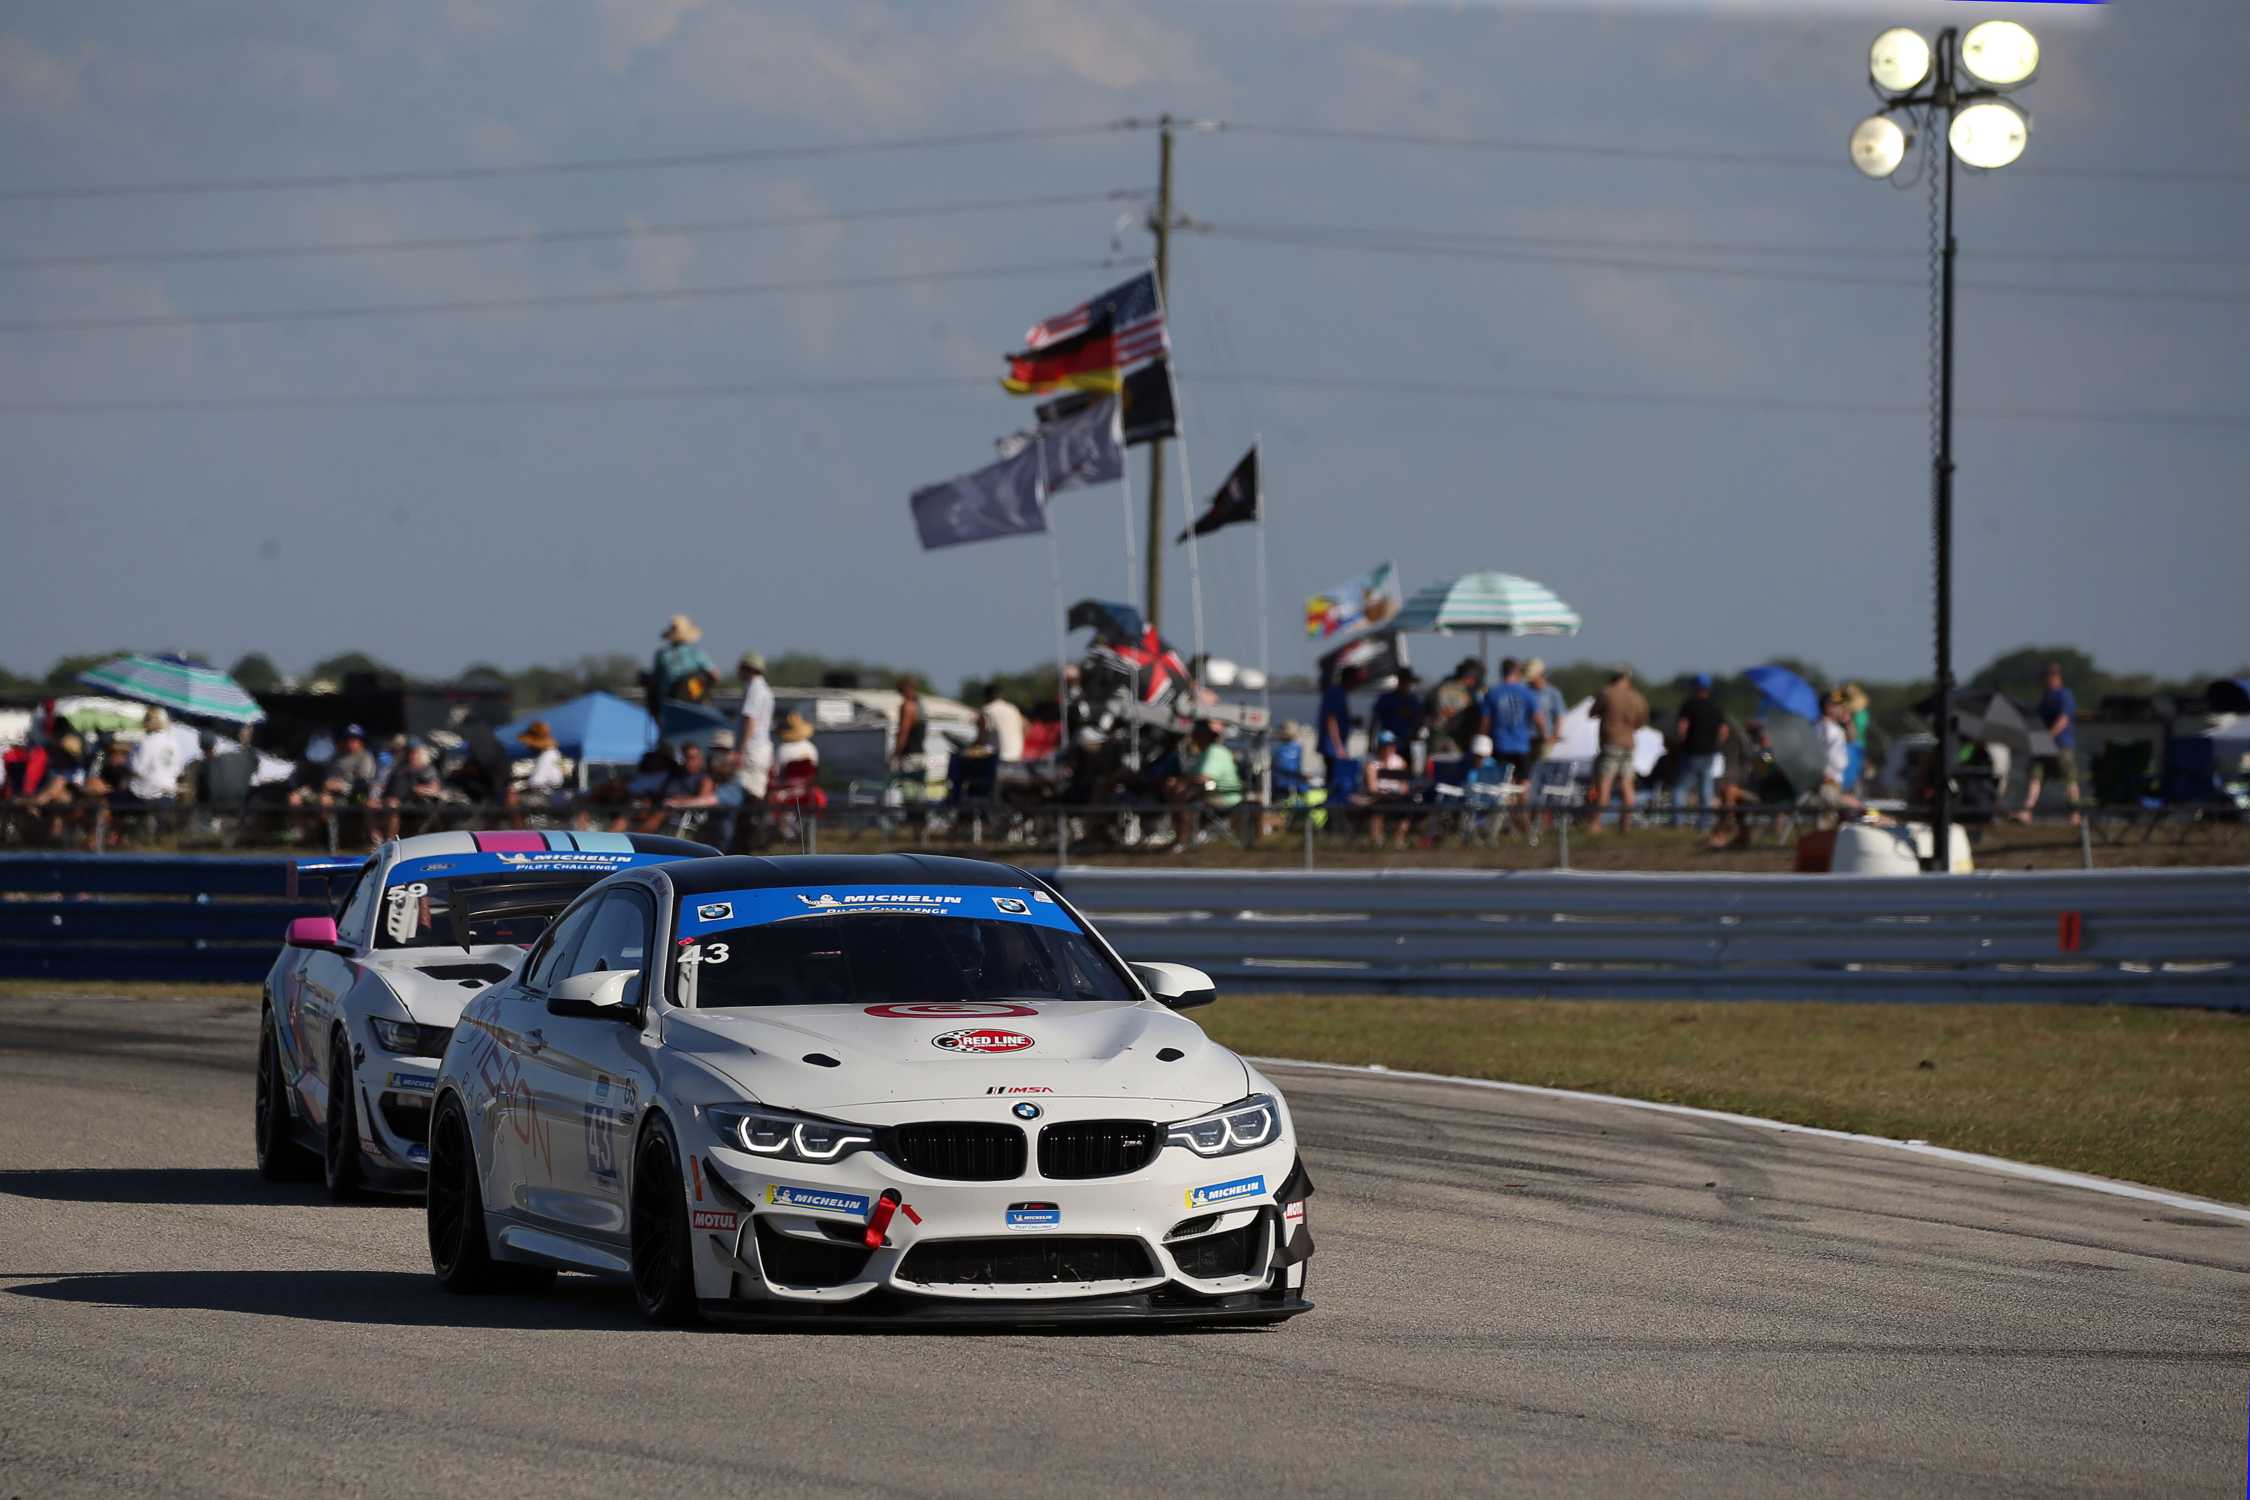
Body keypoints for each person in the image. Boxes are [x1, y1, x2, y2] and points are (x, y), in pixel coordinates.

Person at [1479, 658, 1545, 834]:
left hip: (1500, 746)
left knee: (1503, 787)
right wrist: (1544, 737)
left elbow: (1485, 722)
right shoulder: (1526, 693)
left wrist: (1482, 741)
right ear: (1516, 672)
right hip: (1522, 747)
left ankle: (1509, 824)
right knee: (1523, 788)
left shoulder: (1493, 693)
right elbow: (1539, 719)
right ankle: (1524, 824)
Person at [1585, 668, 1649, 834]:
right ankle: (1626, 825)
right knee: (1627, 786)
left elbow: (1592, 713)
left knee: (1604, 785)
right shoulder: (1637, 697)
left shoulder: (1606, 693)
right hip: (1629, 745)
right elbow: (1641, 723)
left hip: (1611, 744)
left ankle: (1596, 823)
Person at [1165, 720, 1244, 849]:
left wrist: (1181, 783)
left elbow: (1204, 778)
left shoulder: (1215, 752)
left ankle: (1184, 839)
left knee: (1182, 797)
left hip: (1224, 797)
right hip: (1214, 794)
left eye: (1196, 735)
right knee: (1179, 794)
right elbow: (1195, 776)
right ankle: (1183, 838)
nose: (1193, 739)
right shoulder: (1205, 753)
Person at [2022, 661, 2082, 824]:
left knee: (2069, 778)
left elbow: (2064, 718)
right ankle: (2027, 810)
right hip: (2042, 745)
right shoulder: (2045, 697)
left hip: (2061, 744)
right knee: (2035, 775)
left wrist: (2049, 735)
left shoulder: (2065, 694)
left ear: (2055, 676)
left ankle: (2075, 813)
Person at [1671, 674, 1729, 830]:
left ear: (1695, 687)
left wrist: (1679, 742)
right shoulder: (1715, 706)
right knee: (1706, 788)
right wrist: (1715, 745)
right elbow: (1724, 731)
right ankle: (1704, 822)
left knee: (1680, 787)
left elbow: (1682, 727)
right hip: (1709, 753)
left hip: (1691, 752)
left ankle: (1678, 820)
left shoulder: (1689, 704)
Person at [647, 615, 717, 712]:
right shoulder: (696, 653)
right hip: (695, 702)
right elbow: (714, 675)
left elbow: (654, 680)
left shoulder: (662, 654)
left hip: (668, 703)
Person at [1318, 665, 1364, 797]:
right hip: (1332, 748)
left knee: (1335, 779)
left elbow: (1338, 718)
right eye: (1355, 680)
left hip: (1335, 747)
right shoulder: (1336, 693)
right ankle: (1331, 805)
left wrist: (1351, 721)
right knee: (1333, 781)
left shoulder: (1340, 694)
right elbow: (1331, 720)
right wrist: (1338, 747)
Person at [1362, 729, 1413, 849]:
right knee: (1378, 808)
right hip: (1378, 797)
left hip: (1396, 797)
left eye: (1391, 746)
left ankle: (1399, 841)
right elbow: (1372, 787)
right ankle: (1377, 841)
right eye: (1386, 746)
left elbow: (1404, 786)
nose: (1389, 749)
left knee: (1408, 807)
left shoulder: (1400, 762)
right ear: (1380, 747)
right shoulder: (1372, 764)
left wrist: (1399, 791)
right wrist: (1384, 792)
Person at [1816, 690, 1862, 821]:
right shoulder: (1829, 729)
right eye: (1838, 706)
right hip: (1829, 783)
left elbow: (1852, 738)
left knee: (1837, 818)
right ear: (1828, 708)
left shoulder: (1828, 727)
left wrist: (1847, 722)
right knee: (1860, 810)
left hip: (1834, 783)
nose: (1842, 709)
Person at [126, 708, 187, 807]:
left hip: (147, 795)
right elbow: (179, 769)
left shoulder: (145, 742)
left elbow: (137, 768)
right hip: (169, 794)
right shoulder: (175, 744)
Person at [734, 651, 774, 800]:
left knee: (749, 791)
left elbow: (750, 721)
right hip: (760, 748)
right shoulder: (764, 689)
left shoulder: (754, 689)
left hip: (752, 748)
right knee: (756, 790)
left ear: (748, 669)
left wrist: (740, 751)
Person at [1428, 658, 1484, 761]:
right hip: (1453, 737)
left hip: (1439, 735)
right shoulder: (1464, 692)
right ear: (1469, 677)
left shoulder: (1443, 686)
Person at [1370, 670, 1424, 766]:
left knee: (1404, 768)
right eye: (1403, 680)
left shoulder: (1413, 701)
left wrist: (1414, 733)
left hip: (1405, 744)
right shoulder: (1386, 699)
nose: (1405, 684)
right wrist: (1371, 741)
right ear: (1399, 680)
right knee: (1384, 768)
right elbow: (1375, 720)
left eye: (1407, 681)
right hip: (1386, 744)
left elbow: (1419, 720)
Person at [980, 682, 1026, 765]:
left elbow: (982, 738)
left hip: (997, 758)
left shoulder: (986, 710)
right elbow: (1026, 726)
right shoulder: (1013, 708)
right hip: (1017, 755)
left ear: (987, 696)